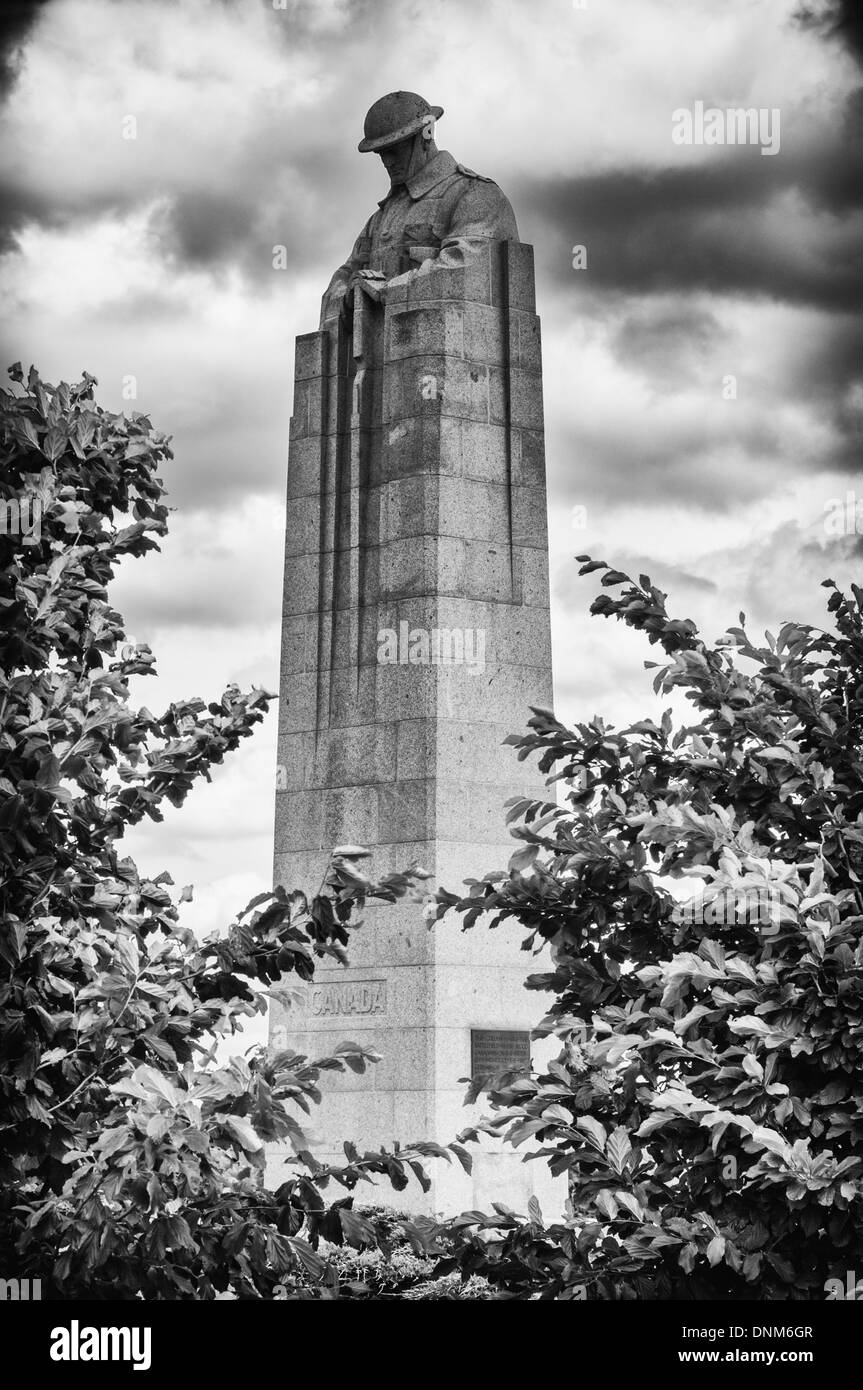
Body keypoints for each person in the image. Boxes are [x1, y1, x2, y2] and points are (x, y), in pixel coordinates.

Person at [319, 91, 519, 326]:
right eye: (381, 153)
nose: (387, 161)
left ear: (425, 135)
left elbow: (465, 270)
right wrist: (350, 296)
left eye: (394, 150)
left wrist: (387, 291)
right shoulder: (380, 219)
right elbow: (339, 282)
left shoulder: (476, 194)